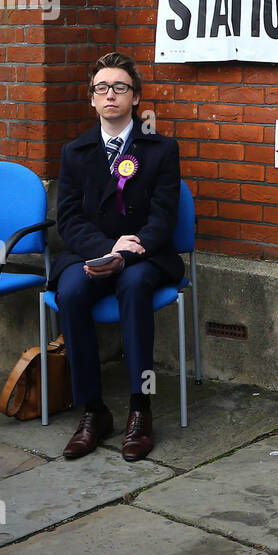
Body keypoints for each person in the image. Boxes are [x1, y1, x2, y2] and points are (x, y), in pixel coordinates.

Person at [54, 51, 183, 463]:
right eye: (102, 88)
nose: (111, 94)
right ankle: (93, 411)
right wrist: (105, 250)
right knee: (71, 292)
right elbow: (68, 217)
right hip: (92, 251)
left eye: (120, 87)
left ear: (136, 97)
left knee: (134, 286)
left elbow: (164, 216)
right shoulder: (75, 152)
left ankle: (140, 409)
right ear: (91, 99)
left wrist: (130, 250)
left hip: (145, 254)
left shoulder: (161, 149)